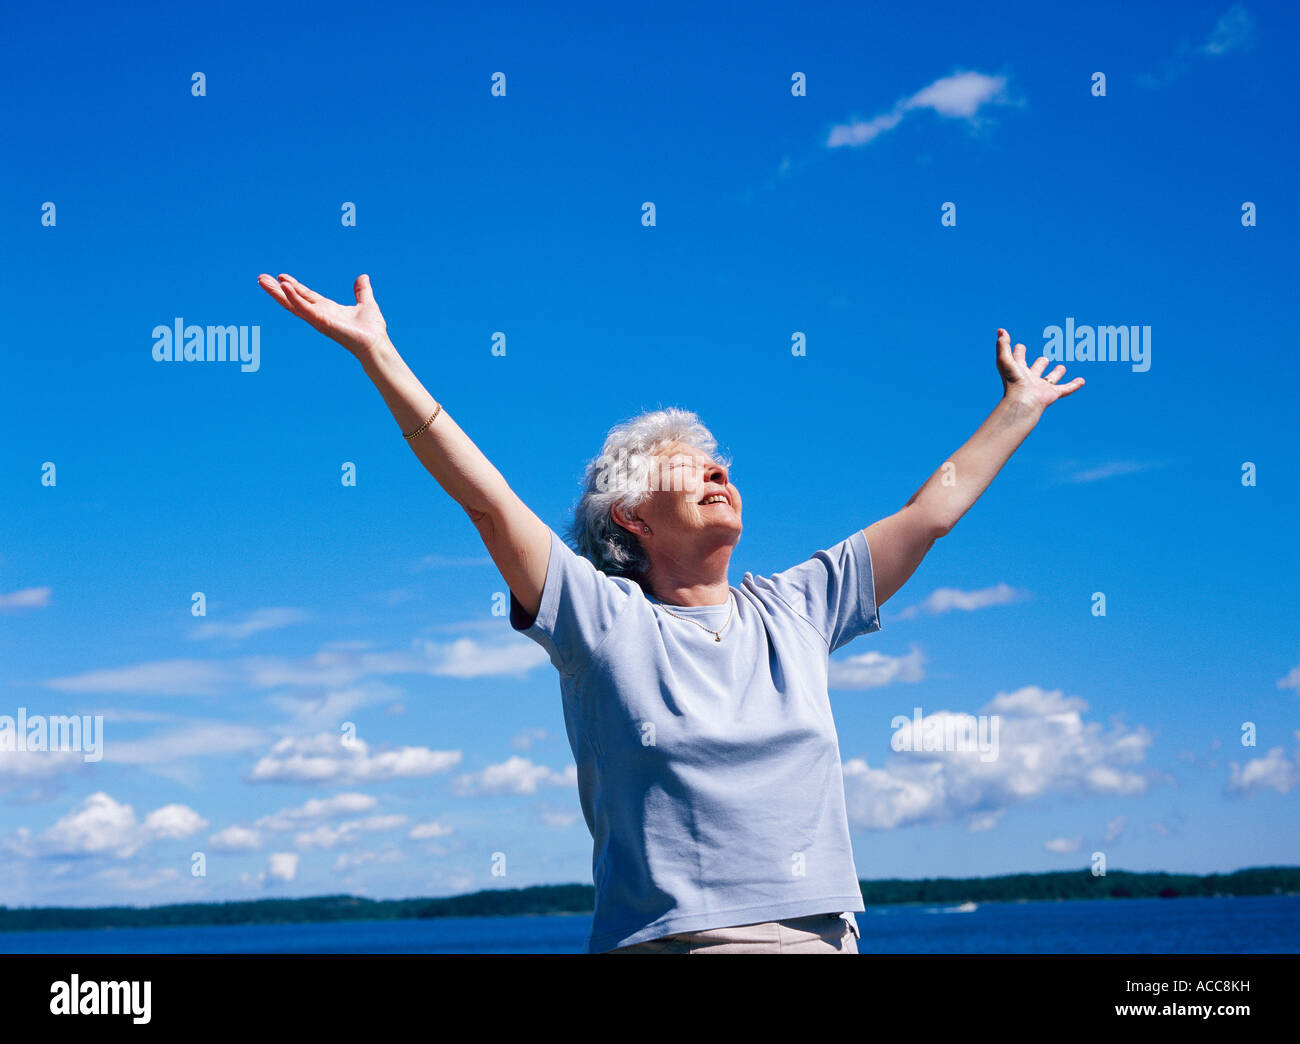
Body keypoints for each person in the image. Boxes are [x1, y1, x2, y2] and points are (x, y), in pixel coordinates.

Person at [257, 271, 1084, 954]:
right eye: (689, 470)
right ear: (632, 519)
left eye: (722, 464)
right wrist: (379, 354)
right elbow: (485, 498)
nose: (719, 473)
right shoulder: (601, 619)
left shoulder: (797, 608)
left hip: (826, 938)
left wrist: (1019, 408)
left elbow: (930, 513)